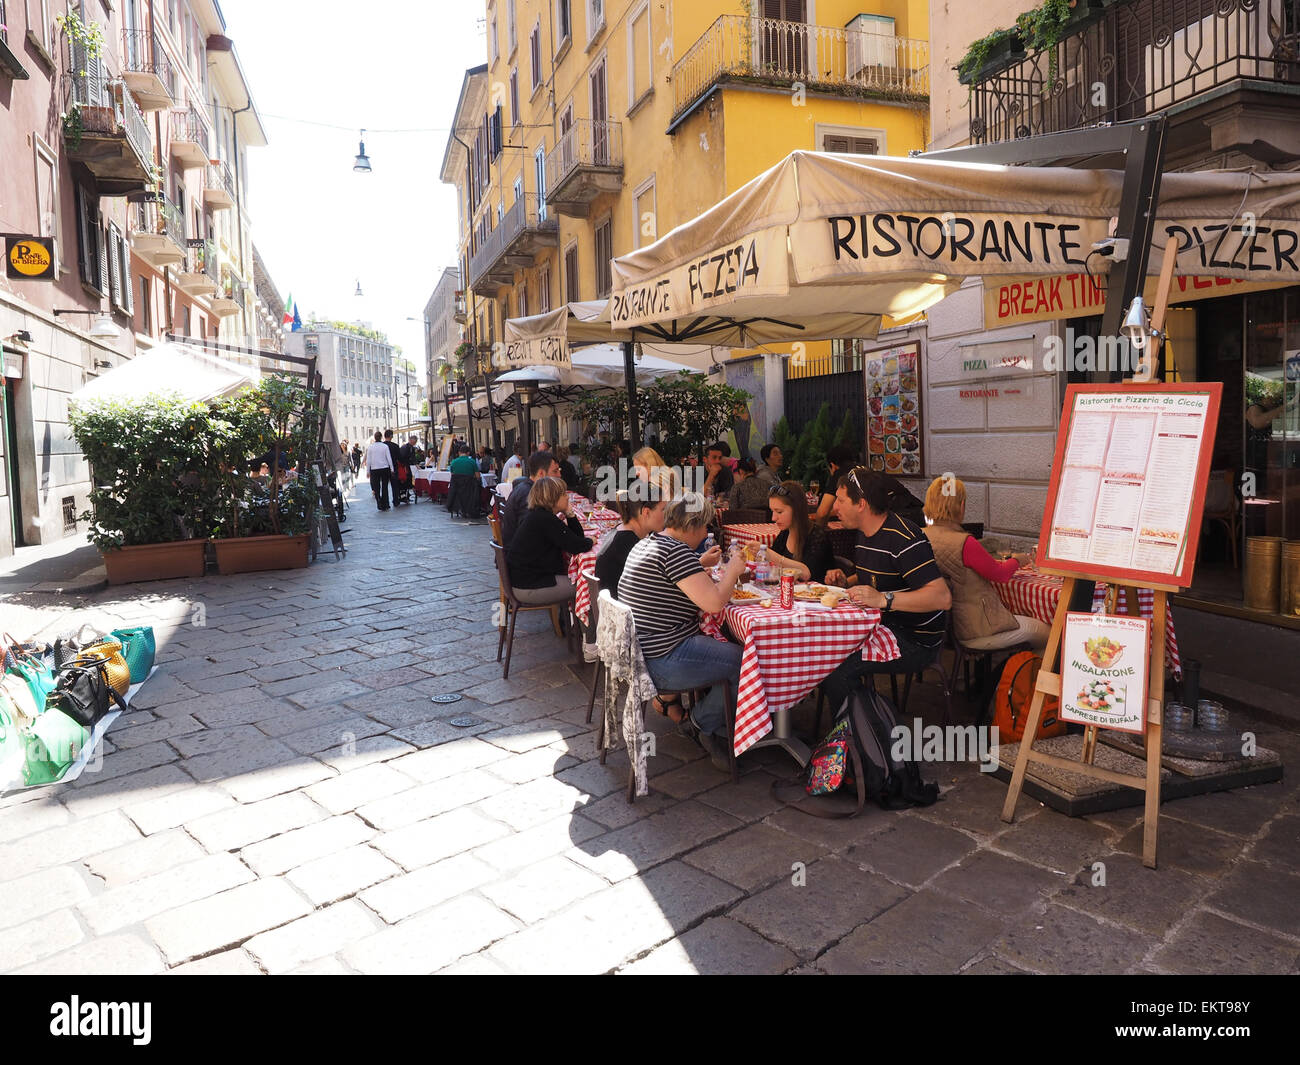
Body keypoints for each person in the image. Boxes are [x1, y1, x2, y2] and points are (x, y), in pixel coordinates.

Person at [618, 493, 747, 769]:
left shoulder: (651, 544)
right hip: (663, 661)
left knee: (727, 647)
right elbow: (714, 604)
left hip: (642, 654)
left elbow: (670, 577)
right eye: (704, 527)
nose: (705, 533)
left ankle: (719, 723)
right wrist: (733, 570)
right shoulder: (675, 552)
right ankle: (700, 722)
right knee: (745, 661)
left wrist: (699, 563)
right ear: (690, 525)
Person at [818, 468, 952, 711]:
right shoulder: (865, 533)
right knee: (821, 650)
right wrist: (846, 582)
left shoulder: (904, 537)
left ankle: (869, 736)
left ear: (862, 504)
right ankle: (859, 726)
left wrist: (884, 599)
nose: (834, 507)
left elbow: (941, 597)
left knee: (835, 667)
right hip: (883, 626)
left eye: (840, 500)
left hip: (916, 640)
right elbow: (877, 574)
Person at [920, 475, 1048, 653]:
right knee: (1046, 631)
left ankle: (1010, 671)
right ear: (962, 506)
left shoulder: (919, 536)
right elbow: (1000, 574)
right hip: (975, 630)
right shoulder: (964, 542)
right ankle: (1023, 677)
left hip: (940, 631)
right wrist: (1019, 559)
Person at [506, 476, 592, 605]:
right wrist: (592, 540)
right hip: (530, 586)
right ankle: (578, 625)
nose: (567, 497)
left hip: (525, 580)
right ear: (553, 498)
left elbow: (577, 539)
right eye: (563, 494)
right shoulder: (544, 519)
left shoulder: (539, 515)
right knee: (588, 587)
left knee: (583, 584)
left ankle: (569, 622)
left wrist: (569, 513)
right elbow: (577, 546)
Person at [595, 488, 668, 600]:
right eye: (663, 509)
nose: (667, 514)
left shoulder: (621, 532)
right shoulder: (629, 544)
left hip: (612, 611)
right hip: (620, 613)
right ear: (646, 512)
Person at [764, 480, 835, 582]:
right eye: (772, 511)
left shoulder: (817, 537)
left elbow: (807, 574)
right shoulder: (785, 533)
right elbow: (774, 568)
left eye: (779, 511)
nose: (773, 518)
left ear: (796, 509)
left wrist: (769, 554)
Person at [501, 450, 563, 547]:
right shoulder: (529, 496)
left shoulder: (527, 488)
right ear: (541, 473)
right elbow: (532, 536)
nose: (559, 475)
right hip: (522, 558)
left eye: (559, 470)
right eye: (555, 471)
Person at [812, 444, 857, 524]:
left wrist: (818, 532)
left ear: (833, 466)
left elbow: (822, 513)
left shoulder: (839, 475)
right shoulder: (863, 471)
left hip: (851, 531)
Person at [448, 444, 482, 519]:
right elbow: (478, 476)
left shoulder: (453, 462)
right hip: (469, 488)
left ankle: (460, 508)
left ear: (459, 452)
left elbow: (453, 475)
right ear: (468, 453)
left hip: (457, 488)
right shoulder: (472, 462)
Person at [365, 430, 394, 511]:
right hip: (384, 468)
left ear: (374, 438)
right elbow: (389, 459)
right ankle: (385, 503)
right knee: (385, 487)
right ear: (381, 437)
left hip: (374, 469)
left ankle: (379, 502)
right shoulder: (385, 446)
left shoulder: (371, 447)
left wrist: (367, 471)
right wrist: (392, 468)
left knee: (376, 487)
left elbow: (368, 460)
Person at [384, 430, 409, 505]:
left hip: (384, 467)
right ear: (391, 436)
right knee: (394, 485)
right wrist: (404, 464)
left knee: (384, 486)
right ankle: (396, 501)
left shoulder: (382, 445)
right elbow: (400, 458)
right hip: (394, 467)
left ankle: (386, 503)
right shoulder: (395, 446)